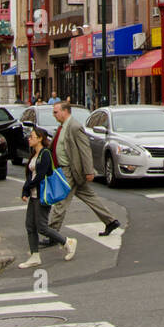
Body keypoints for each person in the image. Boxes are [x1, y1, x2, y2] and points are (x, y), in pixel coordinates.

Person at [48, 100, 121, 238]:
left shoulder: (74, 126)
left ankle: (52, 233)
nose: (54, 115)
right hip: (65, 170)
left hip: (70, 170)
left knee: (61, 201)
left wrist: (89, 171)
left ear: (65, 111)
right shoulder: (62, 126)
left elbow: (85, 149)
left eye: (55, 112)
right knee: (89, 197)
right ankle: (110, 221)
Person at [19, 125, 75, 268]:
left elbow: (41, 176)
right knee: (30, 226)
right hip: (33, 195)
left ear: (40, 139)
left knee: (42, 227)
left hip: (42, 196)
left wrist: (27, 187)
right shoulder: (33, 155)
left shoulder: (45, 154)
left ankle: (67, 242)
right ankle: (35, 256)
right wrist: (26, 192)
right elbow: (30, 175)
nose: (29, 139)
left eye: (32, 137)